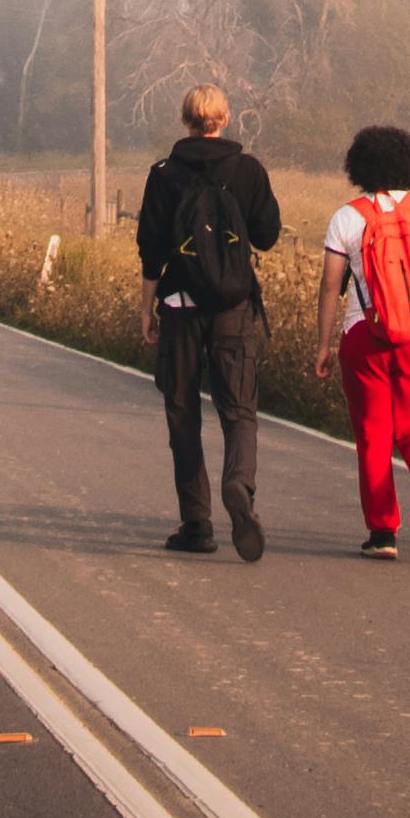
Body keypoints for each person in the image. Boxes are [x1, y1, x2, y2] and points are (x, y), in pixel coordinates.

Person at [133, 79, 279, 559]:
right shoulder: (248, 169)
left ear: (186, 119)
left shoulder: (163, 172)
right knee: (239, 411)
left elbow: (151, 248)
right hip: (233, 308)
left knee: (183, 413)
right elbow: (267, 235)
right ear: (225, 118)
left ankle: (197, 525)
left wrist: (146, 307)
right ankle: (239, 485)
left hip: (180, 307)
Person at [314, 120, 410, 556]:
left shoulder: (347, 217)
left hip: (364, 336)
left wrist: (323, 344)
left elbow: (329, 285)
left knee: (373, 434)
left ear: (359, 166)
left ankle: (382, 534)